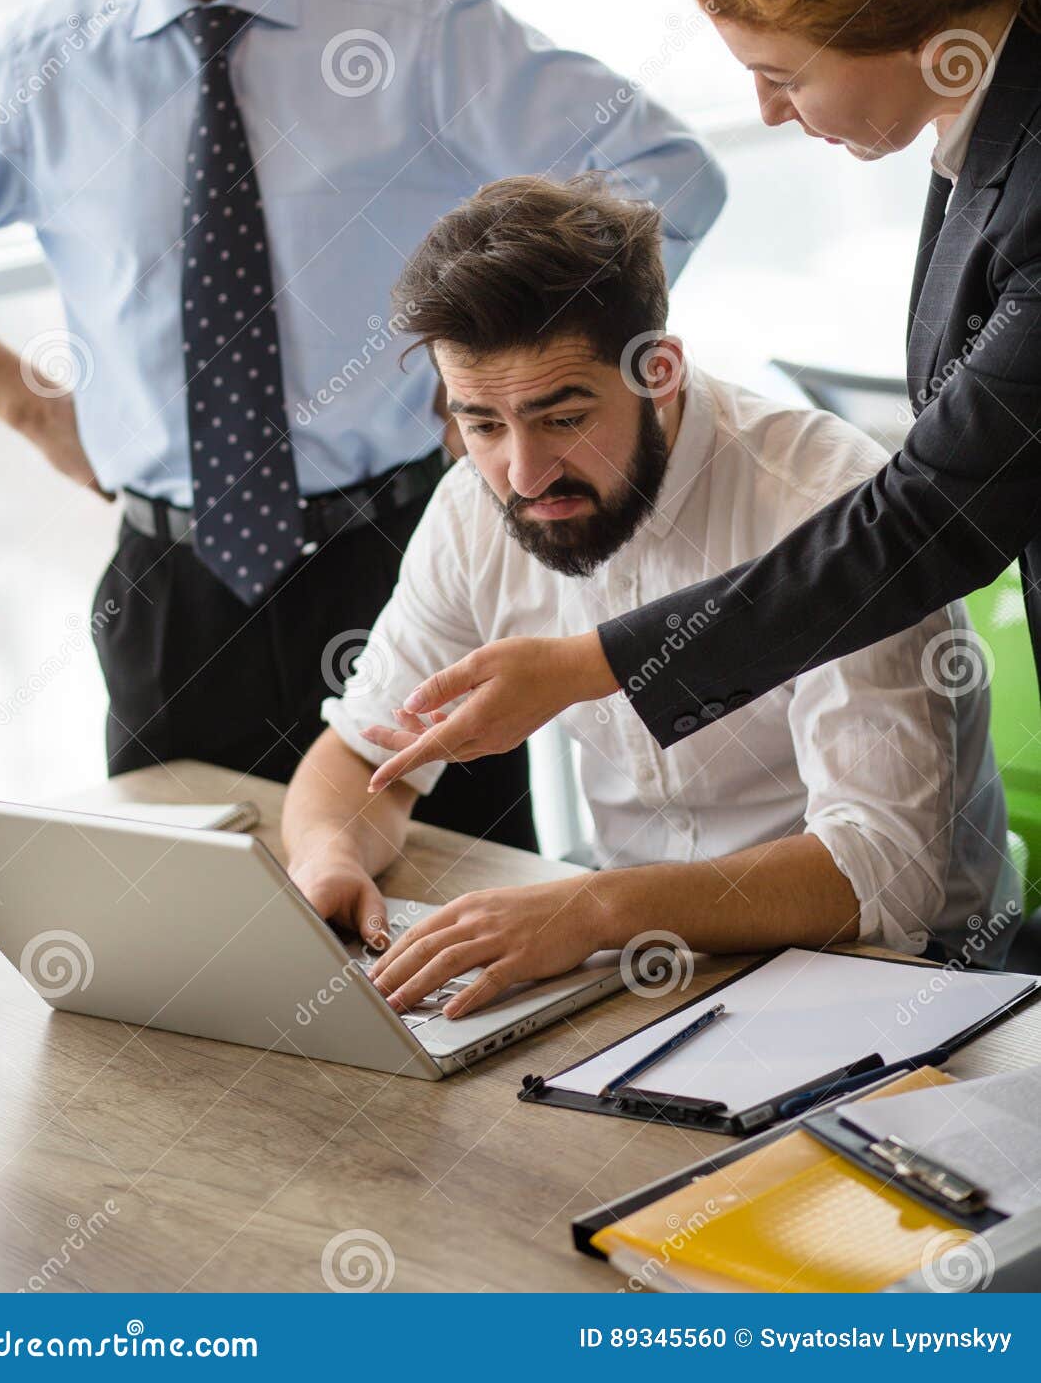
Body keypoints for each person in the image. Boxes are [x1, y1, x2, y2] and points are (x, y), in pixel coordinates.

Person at [0, 0, 725, 850]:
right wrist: (25, 402)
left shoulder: (416, 29)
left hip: (406, 567)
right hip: (168, 594)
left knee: (465, 943)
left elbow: (667, 173)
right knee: (194, 966)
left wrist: (510, 375)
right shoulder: (43, 67)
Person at [361, 0, 1041, 798]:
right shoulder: (977, 132)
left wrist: (587, 665)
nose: (767, 111)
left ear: (900, 31)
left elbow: (931, 520)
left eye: (780, 75)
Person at [281, 174, 1015, 1017]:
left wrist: (598, 907)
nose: (522, 474)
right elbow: (364, 755)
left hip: (901, 975)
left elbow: (886, 874)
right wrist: (326, 858)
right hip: (631, 956)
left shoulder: (833, 504)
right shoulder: (470, 507)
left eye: (562, 418)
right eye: (482, 423)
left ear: (658, 372)